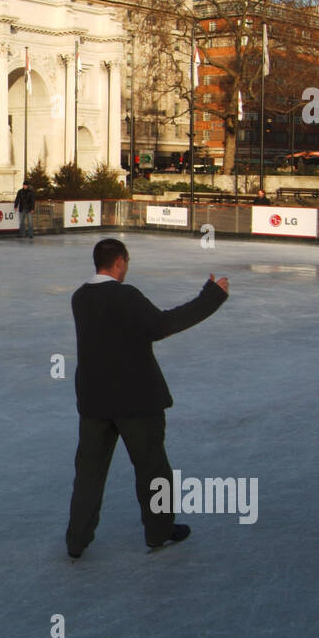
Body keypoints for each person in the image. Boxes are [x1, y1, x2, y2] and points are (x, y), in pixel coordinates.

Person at [66, 239, 229, 558]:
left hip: (94, 401)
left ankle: (76, 540)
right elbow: (162, 325)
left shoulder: (79, 297)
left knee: (89, 474)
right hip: (136, 400)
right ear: (119, 263)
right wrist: (211, 297)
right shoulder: (126, 295)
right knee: (153, 469)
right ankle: (159, 531)